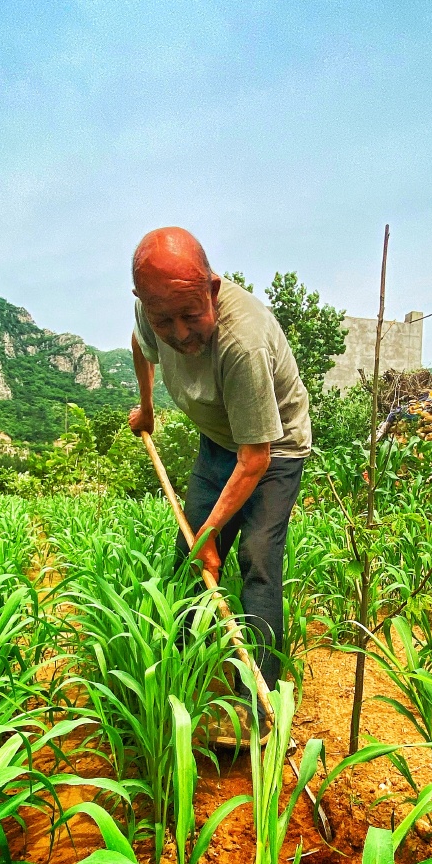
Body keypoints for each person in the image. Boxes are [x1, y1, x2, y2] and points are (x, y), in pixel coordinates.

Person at [128, 226, 311, 737]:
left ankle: (261, 708)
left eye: (191, 314)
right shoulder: (154, 312)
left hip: (272, 451)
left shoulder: (242, 342)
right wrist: (146, 410)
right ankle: (175, 680)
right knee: (188, 560)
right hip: (219, 443)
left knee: (256, 560)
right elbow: (142, 344)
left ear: (212, 289)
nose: (180, 332)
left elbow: (255, 457)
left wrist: (213, 535)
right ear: (145, 303)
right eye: (165, 319)